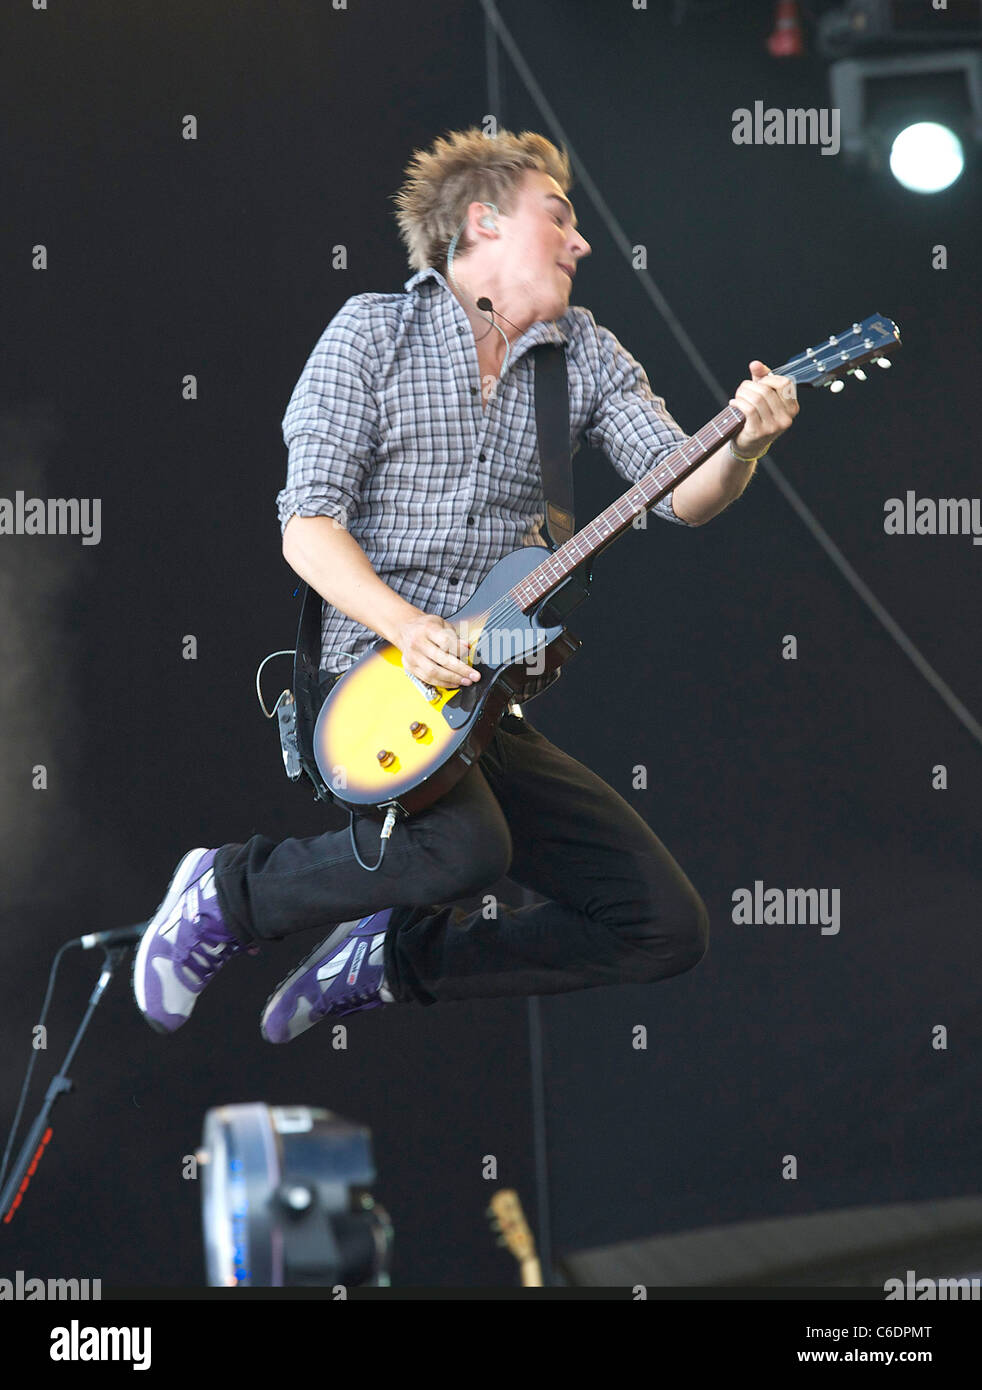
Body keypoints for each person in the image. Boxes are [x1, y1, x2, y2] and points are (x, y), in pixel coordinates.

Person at [132, 128, 798, 1044]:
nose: (582, 241)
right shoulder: (373, 331)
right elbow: (308, 527)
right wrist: (407, 627)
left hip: (479, 696)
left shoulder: (584, 355)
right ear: (482, 221)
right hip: (371, 666)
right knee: (468, 850)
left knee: (663, 926)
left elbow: (682, 492)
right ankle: (230, 894)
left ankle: (391, 961)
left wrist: (747, 445)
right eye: (558, 216)